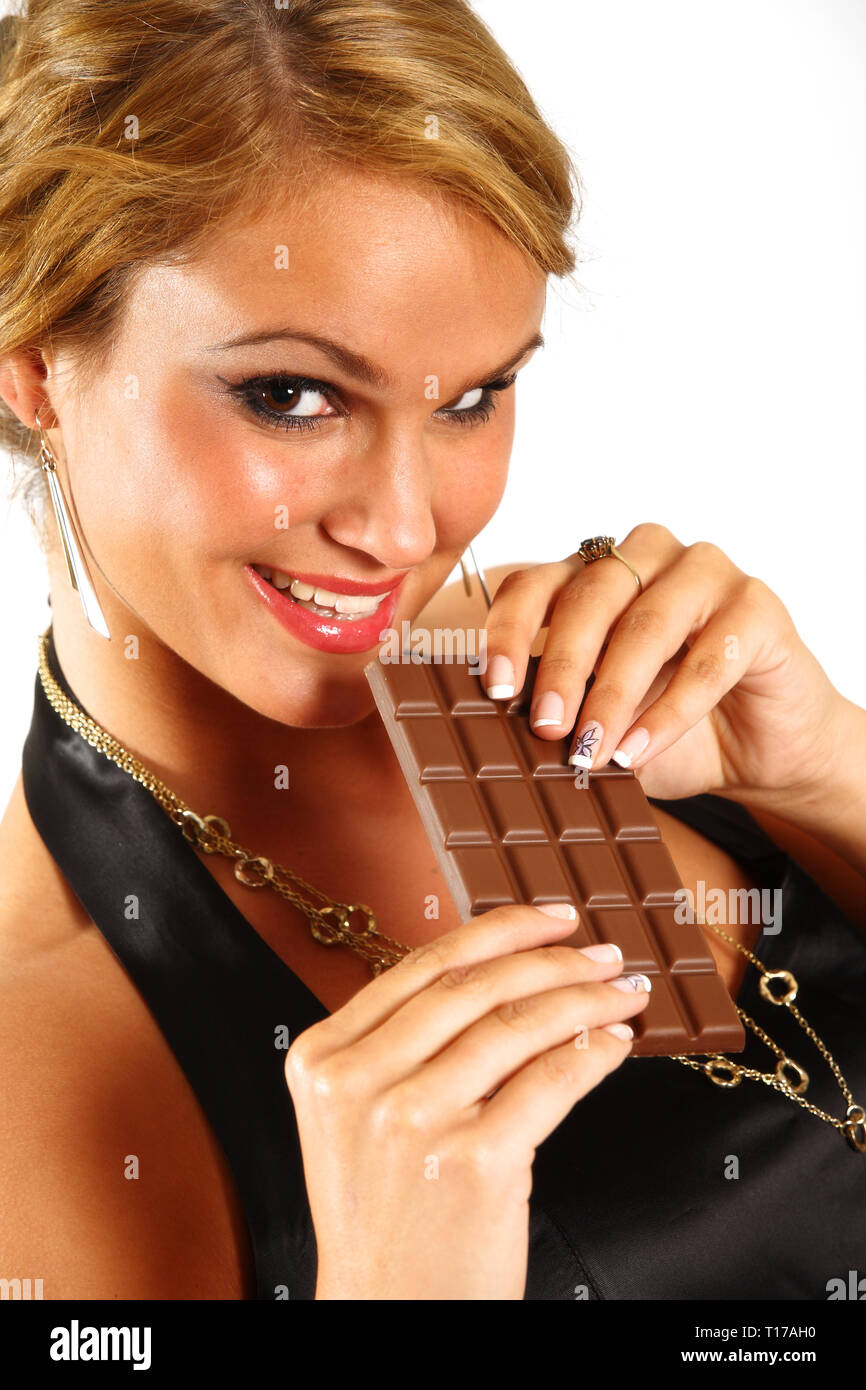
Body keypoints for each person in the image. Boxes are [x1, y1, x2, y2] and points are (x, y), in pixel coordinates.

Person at [0, 0, 864, 1302]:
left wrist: (824, 774)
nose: (404, 527)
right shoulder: (35, 1053)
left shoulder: (597, 688)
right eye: (289, 395)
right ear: (40, 371)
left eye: (469, 398)